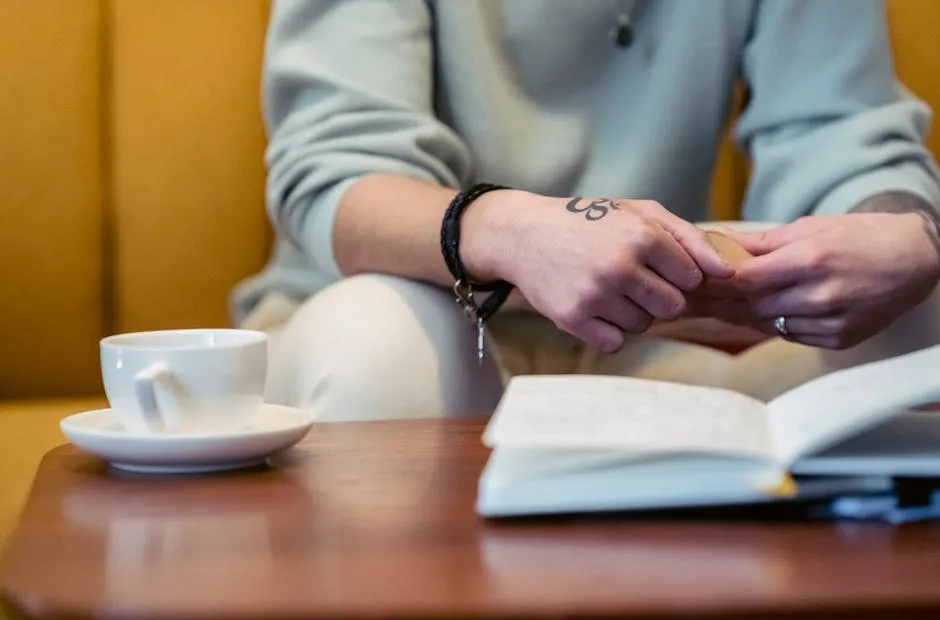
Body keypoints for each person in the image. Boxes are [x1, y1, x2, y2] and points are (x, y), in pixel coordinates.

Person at [231, 0, 940, 422]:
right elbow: (338, 176)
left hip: (649, 337)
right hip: (413, 323)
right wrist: (513, 233)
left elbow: (842, 133)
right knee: (374, 341)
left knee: (922, 306)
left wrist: (905, 230)